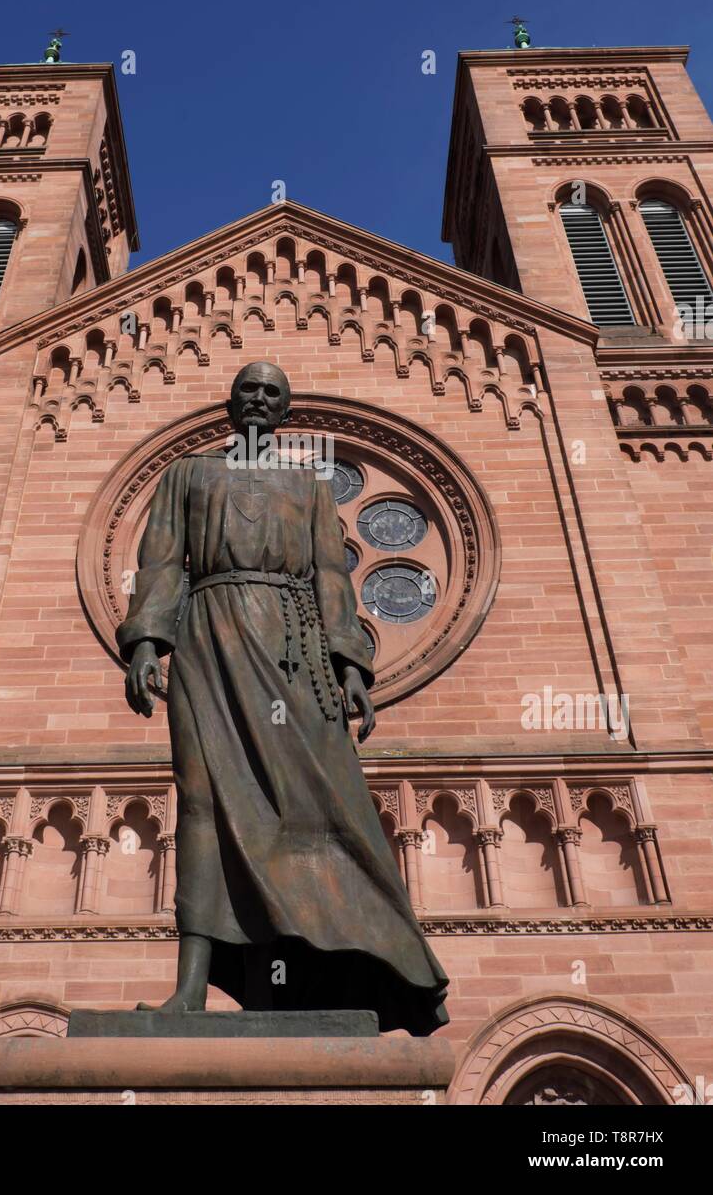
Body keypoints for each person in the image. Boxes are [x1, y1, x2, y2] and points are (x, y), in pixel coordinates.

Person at [118, 361, 449, 1034]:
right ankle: (189, 990)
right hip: (207, 636)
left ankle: (300, 980)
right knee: (203, 801)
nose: (259, 400)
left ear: (285, 407)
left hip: (290, 647)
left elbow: (332, 574)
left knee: (304, 807)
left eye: (272, 392)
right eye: (249, 390)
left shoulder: (307, 483)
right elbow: (160, 561)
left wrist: (352, 663)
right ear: (230, 402)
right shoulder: (188, 474)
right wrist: (148, 642)